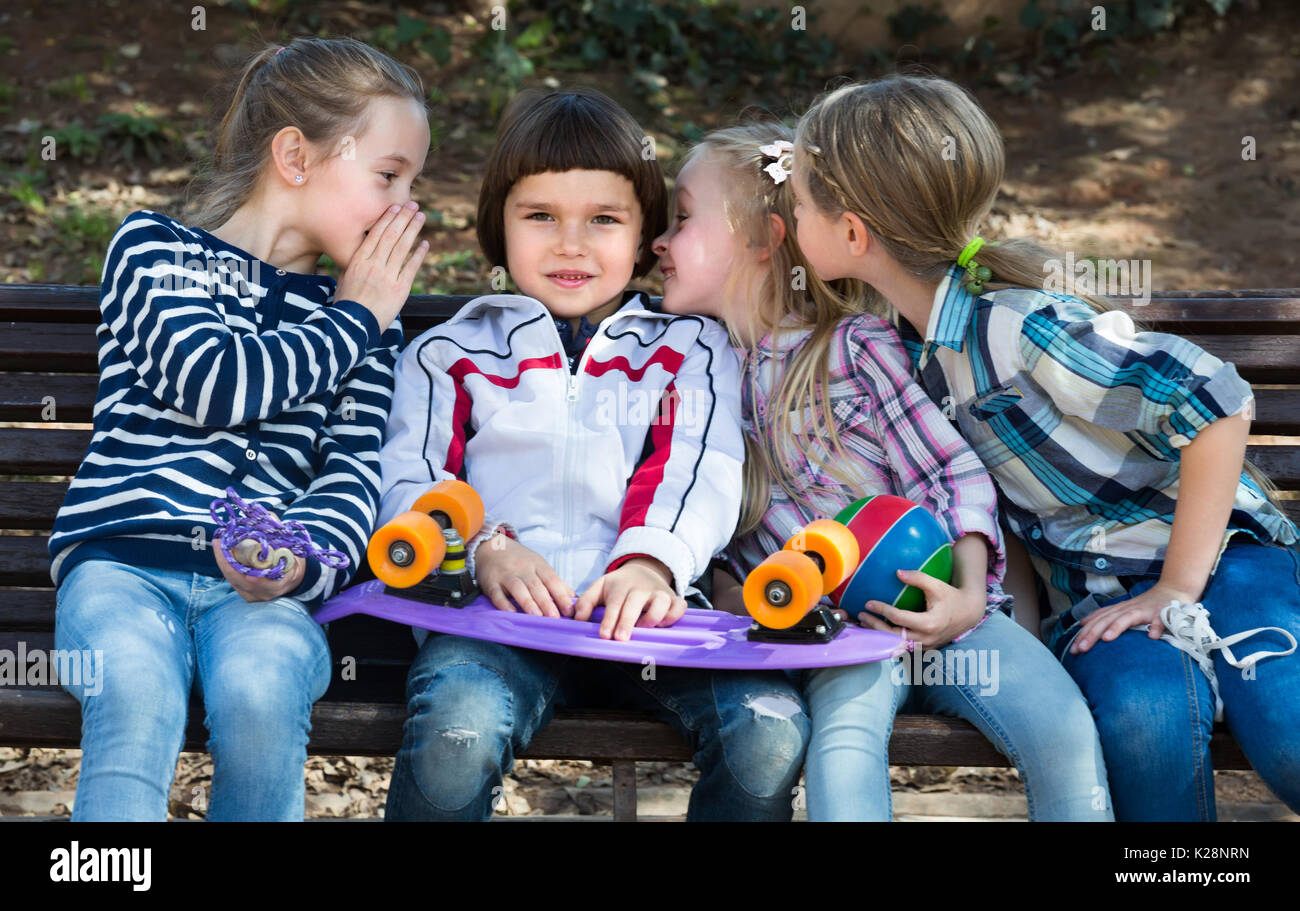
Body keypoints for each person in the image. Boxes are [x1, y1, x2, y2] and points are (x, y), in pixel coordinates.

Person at [790, 74, 1300, 820]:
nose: (790, 214)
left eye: (799, 203)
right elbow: (1006, 513)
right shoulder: (907, 357)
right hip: (1099, 602)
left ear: (853, 232)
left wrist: (1176, 589)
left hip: (1220, 558)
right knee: (1142, 720)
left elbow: (1217, 398)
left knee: (1286, 726)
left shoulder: (1017, 326)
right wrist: (1020, 645)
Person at [653, 118, 1113, 821]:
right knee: (843, 757)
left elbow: (951, 470)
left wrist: (963, 588)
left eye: (681, 219)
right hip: (837, 637)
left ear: (761, 240)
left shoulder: (852, 350)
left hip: (947, 609)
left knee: (1063, 728)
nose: (659, 240)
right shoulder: (691, 371)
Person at [378, 87, 810, 822]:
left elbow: (696, 463)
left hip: (651, 620)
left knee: (767, 730)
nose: (571, 243)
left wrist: (649, 561)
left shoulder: (687, 349)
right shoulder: (449, 353)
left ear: (645, 233)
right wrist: (481, 548)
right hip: (495, 621)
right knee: (458, 729)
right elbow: (412, 479)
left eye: (604, 220)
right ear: (499, 225)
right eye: (540, 216)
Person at [49, 37, 429, 821]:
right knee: (133, 685)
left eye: (412, 183)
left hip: (257, 595)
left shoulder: (362, 323)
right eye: (388, 177)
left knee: (265, 685)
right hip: (123, 565)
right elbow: (212, 381)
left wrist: (302, 560)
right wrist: (355, 316)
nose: (407, 208)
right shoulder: (157, 251)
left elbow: (353, 470)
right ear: (295, 155)